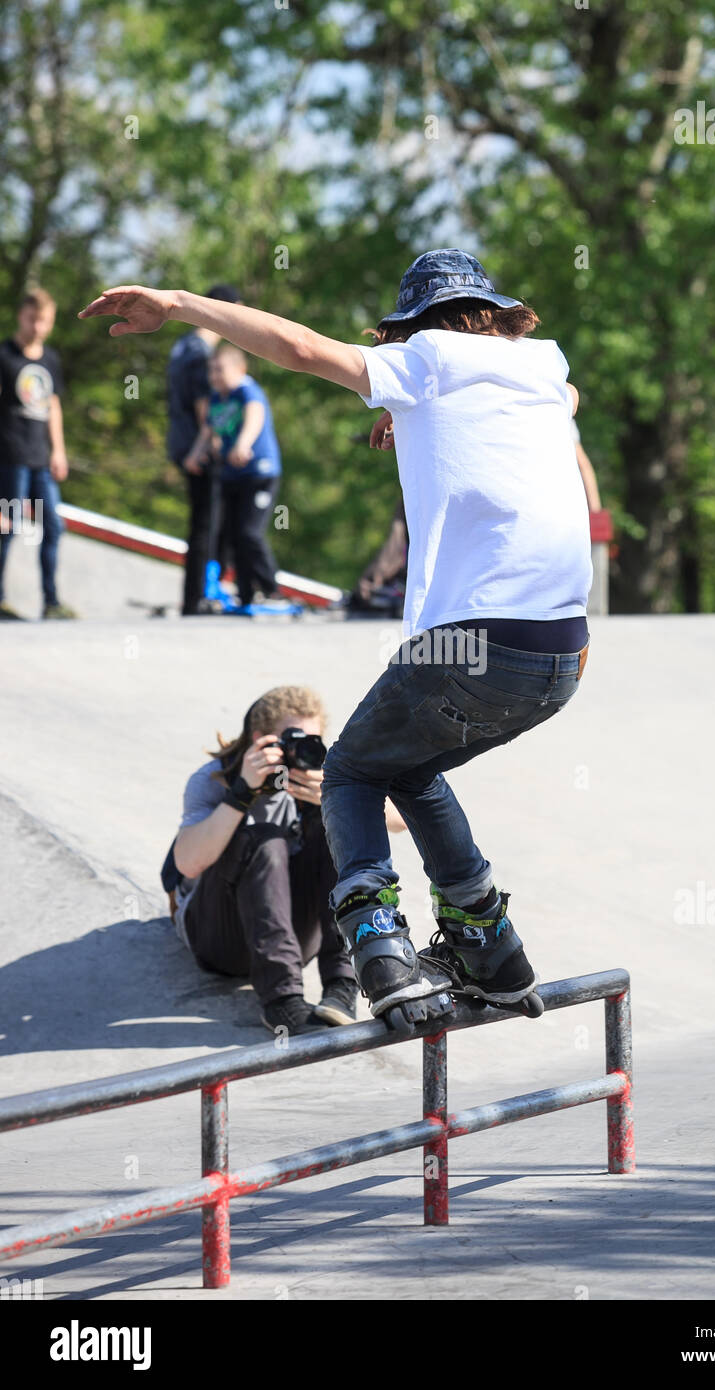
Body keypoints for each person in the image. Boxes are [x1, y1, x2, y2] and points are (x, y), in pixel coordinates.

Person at [79, 246, 592, 1037]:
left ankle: (379, 947)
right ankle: (489, 946)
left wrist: (180, 302)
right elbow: (570, 399)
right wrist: (417, 415)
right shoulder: (541, 376)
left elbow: (300, 348)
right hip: (561, 656)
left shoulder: (423, 358)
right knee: (410, 769)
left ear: (412, 328)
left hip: (472, 641)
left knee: (350, 768)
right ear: (493, 316)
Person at [165, 684, 408, 1035]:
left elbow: (400, 822)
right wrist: (241, 795)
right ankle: (282, 1001)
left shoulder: (325, 773)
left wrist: (333, 797)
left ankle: (341, 985)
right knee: (265, 838)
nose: (299, 752)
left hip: (295, 935)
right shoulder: (217, 777)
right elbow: (187, 863)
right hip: (220, 940)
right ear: (259, 739)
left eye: (310, 741)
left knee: (338, 827)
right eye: (289, 740)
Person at [185, 343, 281, 608]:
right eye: (211, 371)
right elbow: (208, 430)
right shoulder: (217, 398)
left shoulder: (248, 391)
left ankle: (271, 589)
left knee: (250, 532)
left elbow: (254, 417)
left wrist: (243, 443)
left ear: (240, 368)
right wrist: (195, 454)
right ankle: (247, 593)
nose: (214, 376)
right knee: (231, 535)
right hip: (232, 475)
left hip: (259, 472)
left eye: (220, 370)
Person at [165, 284, 242, 614]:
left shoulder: (181, 346)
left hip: (178, 441)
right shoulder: (201, 355)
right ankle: (198, 598)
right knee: (208, 524)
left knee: (201, 522)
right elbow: (203, 408)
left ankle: (194, 596)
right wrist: (211, 446)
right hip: (199, 448)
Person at [0, 287, 76, 621]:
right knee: (6, 526)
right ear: (21, 316)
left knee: (53, 526)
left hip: (41, 459)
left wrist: (58, 450)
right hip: (10, 457)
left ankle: (51, 601)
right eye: (32, 319)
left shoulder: (50, 359)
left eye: (44, 321)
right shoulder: (5, 355)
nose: (37, 328)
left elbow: (53, 405)